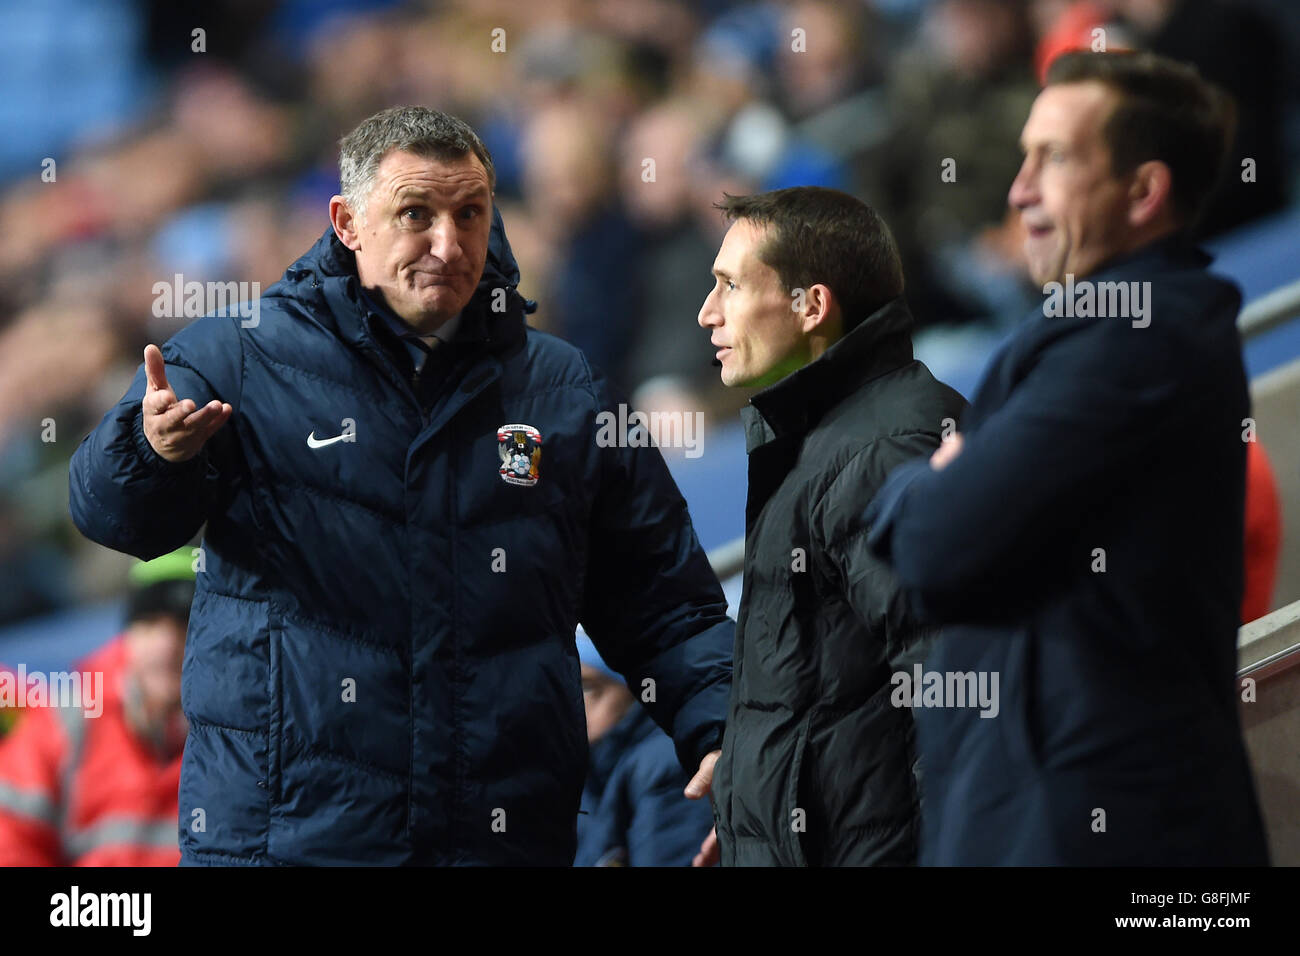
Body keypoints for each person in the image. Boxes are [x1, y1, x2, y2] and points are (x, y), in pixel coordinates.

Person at [68, 106, 732, 866]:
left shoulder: (563, 389)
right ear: (347, 223)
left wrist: (719, 730)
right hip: (286, 841)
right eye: (415, 213)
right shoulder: (239, 358)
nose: (447, 244)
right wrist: (154, 453)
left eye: (470, 213)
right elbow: (108, 513)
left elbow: (663, 602)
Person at [864, 51, 1269, 865]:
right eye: (1024, 156)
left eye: (1053, 159)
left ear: (1144, 191)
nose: (1018, 190)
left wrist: (918, 490)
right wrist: (940, 482)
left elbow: (938, 545)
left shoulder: (1141, 333)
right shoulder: (1094, 334)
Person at [695, 186, 967, 866]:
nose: (707, 314)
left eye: (730, 286)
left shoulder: (881, 449)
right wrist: (744, 806)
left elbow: (953, 691)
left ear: (810, 305)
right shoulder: (821, 440)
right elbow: (826, 687)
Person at [0, 549, 193, 866]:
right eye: (148, 622)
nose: (166, 644)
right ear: (127, 633)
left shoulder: (248, 731)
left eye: (184, 624)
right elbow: (9, 836)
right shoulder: (70, 717)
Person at [573, 634, 715, 866]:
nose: (574, 703)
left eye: (587, 687)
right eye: (564, 689)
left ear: (632, 691)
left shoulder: (664, 762)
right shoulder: (592, 767)